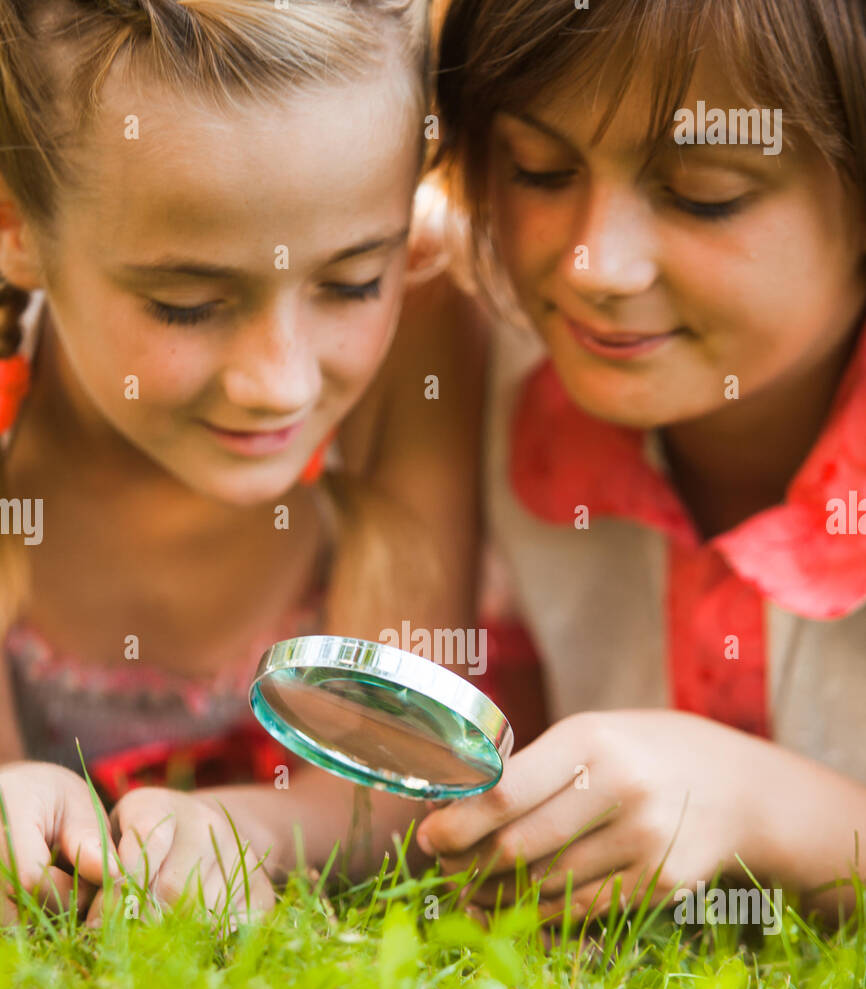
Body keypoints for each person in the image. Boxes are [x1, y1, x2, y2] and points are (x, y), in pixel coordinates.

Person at [0, 0, 484, 921]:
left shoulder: (425, 320)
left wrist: (239, 833)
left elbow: (402, 770)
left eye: (352, 283)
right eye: (186, 303)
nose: (279, 383)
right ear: (16, 225)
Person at [419, 0, 866, 921]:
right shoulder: (462, 346)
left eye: (704, 193)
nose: (597, 265)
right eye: (540, 170)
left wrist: (767, 810)